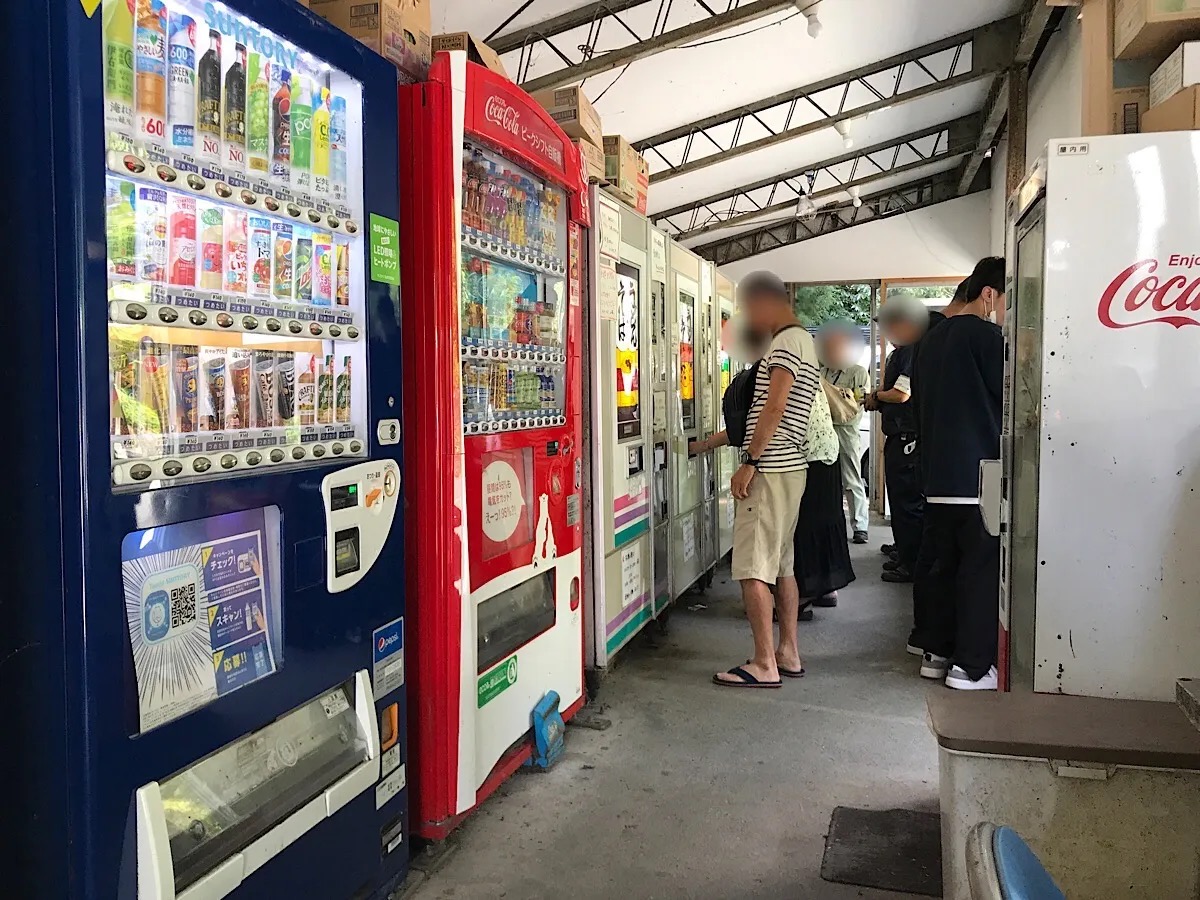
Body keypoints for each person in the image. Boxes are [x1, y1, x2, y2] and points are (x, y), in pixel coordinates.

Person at [711, 271, 820, 689]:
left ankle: (762, 663)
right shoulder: (802, 341)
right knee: (782, 563)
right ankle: (787, 652)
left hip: (770, 467)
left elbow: (774, 406)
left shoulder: (784, 343)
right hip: (792, 467)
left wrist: (750, 461)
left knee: (752, 567)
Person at [912, 257, 1005, 690]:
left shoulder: (930, 341)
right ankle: (971, 667)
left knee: (942, 569)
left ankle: (936, 653)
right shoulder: (987, 338)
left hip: (936, 479)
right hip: (978, 478)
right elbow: (1013, 401)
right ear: (989, 295)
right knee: (979, 572)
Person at [904, 277, 970, 654]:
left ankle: (925, 637)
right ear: (988, 294)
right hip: (961, 474)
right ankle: (945, 646)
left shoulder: (927, 342)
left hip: (931, 464)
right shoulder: (964, 338)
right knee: (952, 561)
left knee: (933, 553)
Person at [865, 295, 929, 584]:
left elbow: (903, 394)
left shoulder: (911, 351)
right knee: (900, 500)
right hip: (898, 435)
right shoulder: (900, 351)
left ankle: (911, 561)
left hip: (908, 437)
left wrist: (876, 397)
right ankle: (903, 548)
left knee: (907, 502)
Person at [791, 380, 856, 613]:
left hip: (807, 455)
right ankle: (828, 588)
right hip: (827, 451)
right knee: (827, 517)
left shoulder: (784, 366)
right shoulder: (810, 369)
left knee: (805, 524)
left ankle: (803, 597)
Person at [817, 322, 871, 544]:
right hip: (823, 430)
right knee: (823, 479)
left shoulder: (857, 372)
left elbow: (860, 402)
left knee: (851, 477)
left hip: (847, 431)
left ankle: (860, 526)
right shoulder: (822, 371)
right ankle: (827, 523)